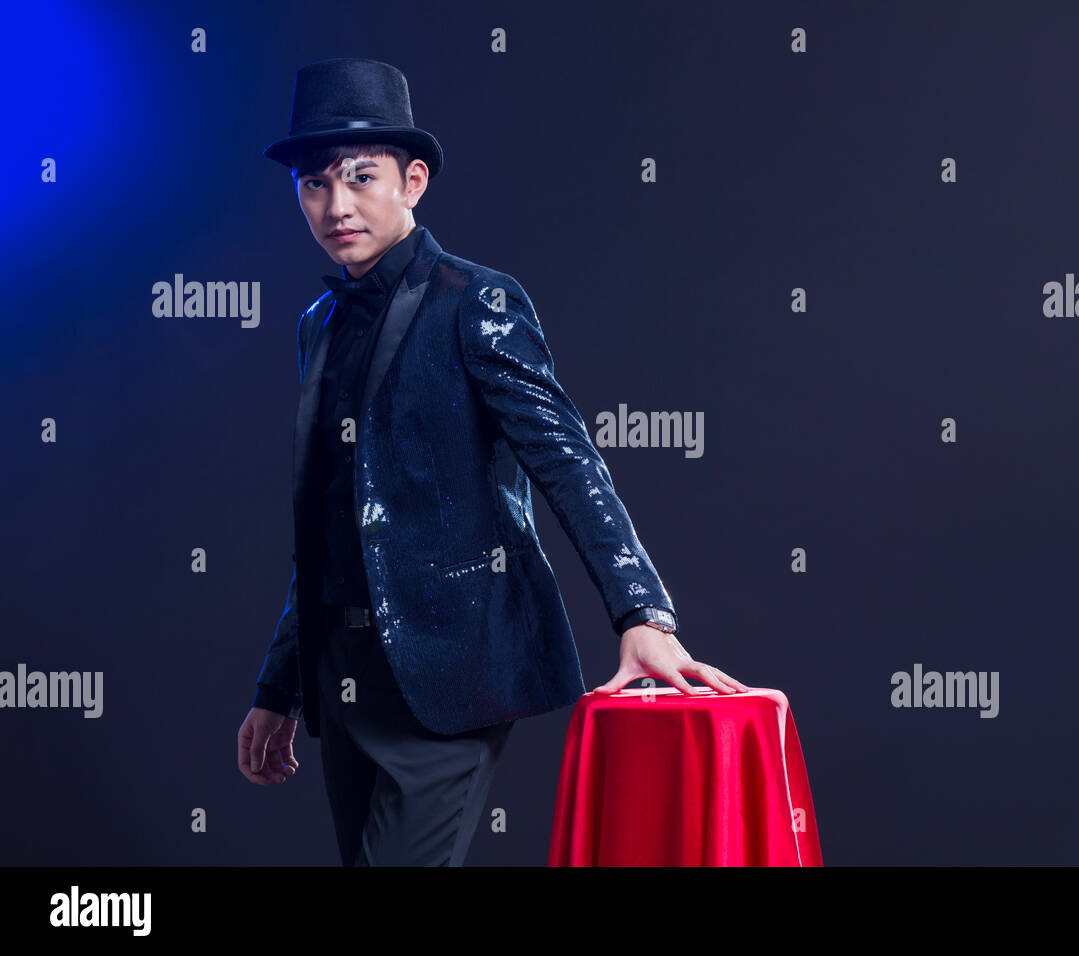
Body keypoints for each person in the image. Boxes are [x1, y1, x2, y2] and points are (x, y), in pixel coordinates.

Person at [235, 57, 747, 866]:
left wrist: (642, 614)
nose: (336, 206)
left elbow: (568, 459)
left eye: (360, 178)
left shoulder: (478, 300)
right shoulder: (318, 325)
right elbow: (325, 526)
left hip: (454, 666)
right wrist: (278, 689)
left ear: (413, 181)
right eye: (313, 184)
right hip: (345, 676)